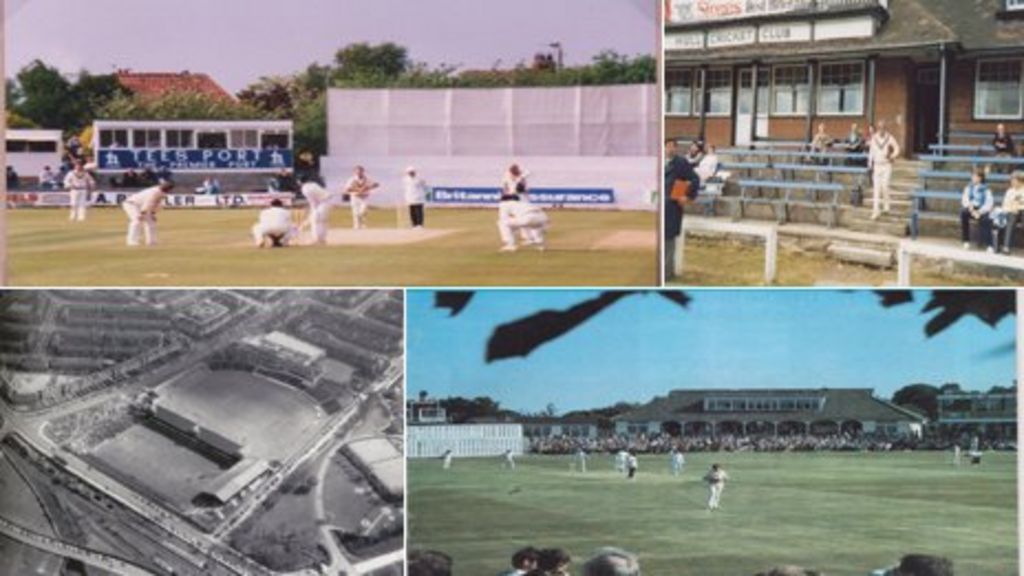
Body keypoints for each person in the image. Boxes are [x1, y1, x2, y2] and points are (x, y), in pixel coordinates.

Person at [664, 139, 701, 281]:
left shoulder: (681, 163)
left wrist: (687, 196)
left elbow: (695, 179)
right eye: (667, 146)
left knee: (668, 240)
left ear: (676, 148)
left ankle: (667, 273)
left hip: (672, 207)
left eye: (673, 146)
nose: (670, 149)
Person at [497, 164, 548, 252]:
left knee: (503, 223)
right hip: (543, 218)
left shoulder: (506, 203)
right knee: (533, 225)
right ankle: (539, 244)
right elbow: (515, 187)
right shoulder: (511, 180)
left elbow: (519, 189)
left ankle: (510, 245)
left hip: (526, 216)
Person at [122, 179, 174, 247]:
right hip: (131, 204)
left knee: (151, 222)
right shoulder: (154, 191)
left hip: (141, 205)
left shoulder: (162, 193)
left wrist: (153, 214)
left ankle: (151, 242)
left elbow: (157, 204)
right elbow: (148, 203)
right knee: (137, 220)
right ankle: (132, 241)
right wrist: (142, 214)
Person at [868, 120, 901, 219]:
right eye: (879, 127)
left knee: (885, 185)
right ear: (878, 128)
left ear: (885, 128)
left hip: (886, 165)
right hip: (877, 166)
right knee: (876, 189)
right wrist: (870, 164)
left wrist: (892, 156)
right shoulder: (874, 138)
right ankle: (876, 210)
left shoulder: (889, 137)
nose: (881, 129)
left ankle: (886, 206)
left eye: (883, 127)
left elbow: (897, 148)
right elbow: (871, 152)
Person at [959, 169, 995, 252]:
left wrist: (979, 212)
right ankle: (966, 240)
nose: (973, 178)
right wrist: (970, 208)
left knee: (986, 220)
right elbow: (965, 199)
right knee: (963, 213)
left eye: (975, 176)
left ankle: (989, 244)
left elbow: (989, 203)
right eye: (973, 176)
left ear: (980, 178)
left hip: (982, 209)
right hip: (971, 208)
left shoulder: (986, 189)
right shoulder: (968, 187)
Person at [992, 170, 1024, 254]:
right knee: (1010, 219)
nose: (1012, 182)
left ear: (1020, 181)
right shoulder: (1010, 191)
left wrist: (1018, 207)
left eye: (1014, 180)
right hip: (1011, 212)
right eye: (1011, 180)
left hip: (1022, 211)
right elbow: (1005, 205)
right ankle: (1006, 247)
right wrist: (1012, 209)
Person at [301, 178, 336, 245]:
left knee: (315, 221)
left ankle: (316, 239)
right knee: (323, 222)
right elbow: (324, 195)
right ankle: (322, 239)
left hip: (320, 204)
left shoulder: (304, 188)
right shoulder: (314, 184)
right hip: (325, 203)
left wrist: (312, 210)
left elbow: (312, 201)